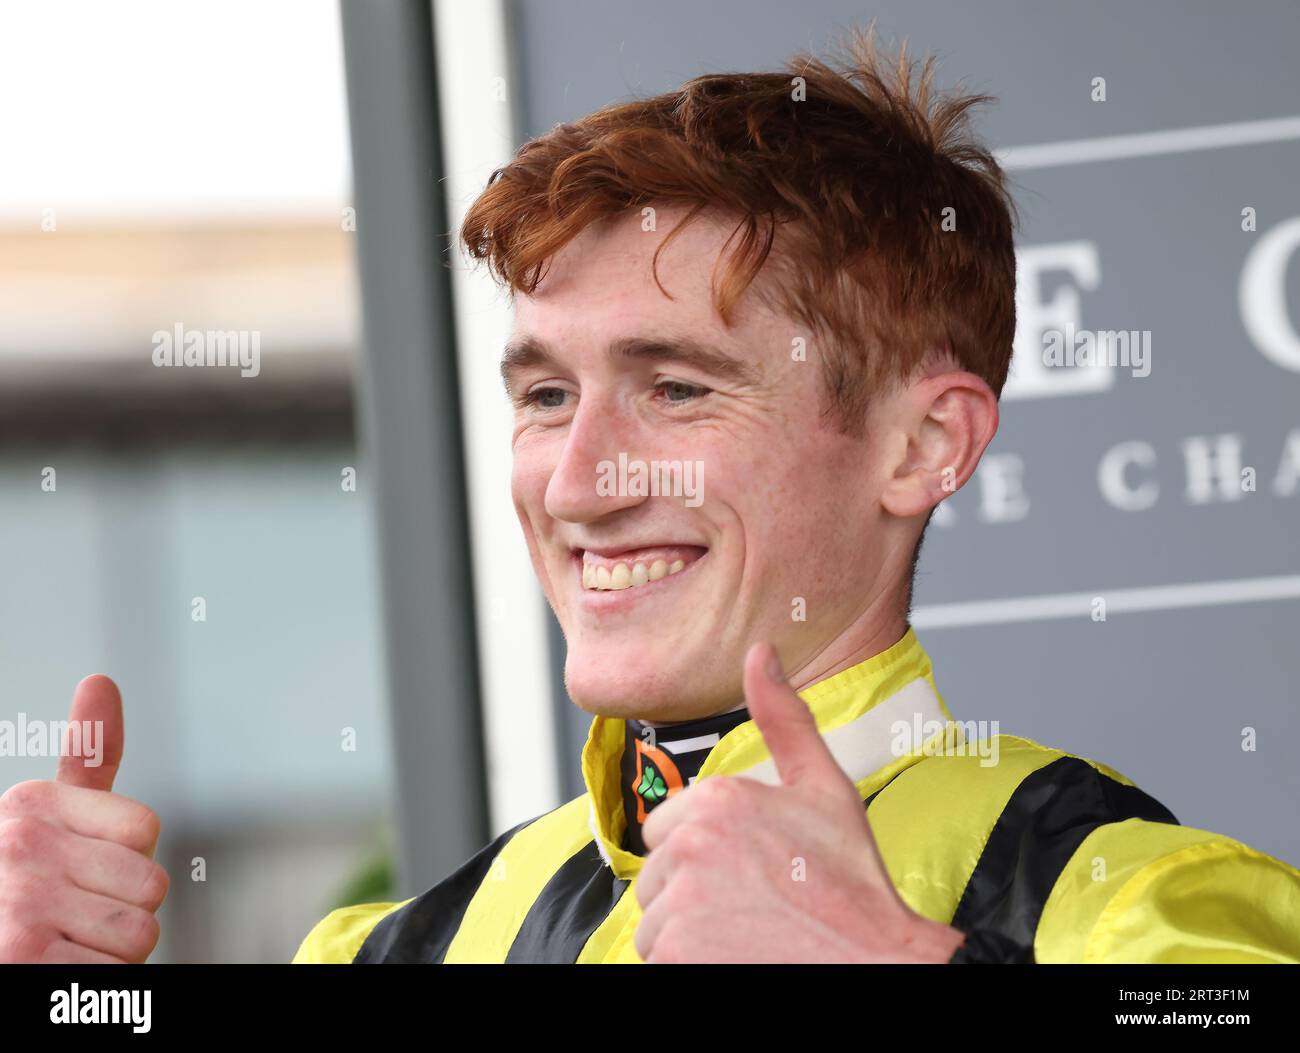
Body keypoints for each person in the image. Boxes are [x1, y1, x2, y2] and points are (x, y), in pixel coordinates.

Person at [4, 31, 1296, 965]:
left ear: (923, 445)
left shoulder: (1138, 899)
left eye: (675, 390)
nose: (577, 483)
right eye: (547, 396)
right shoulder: (401, 941)